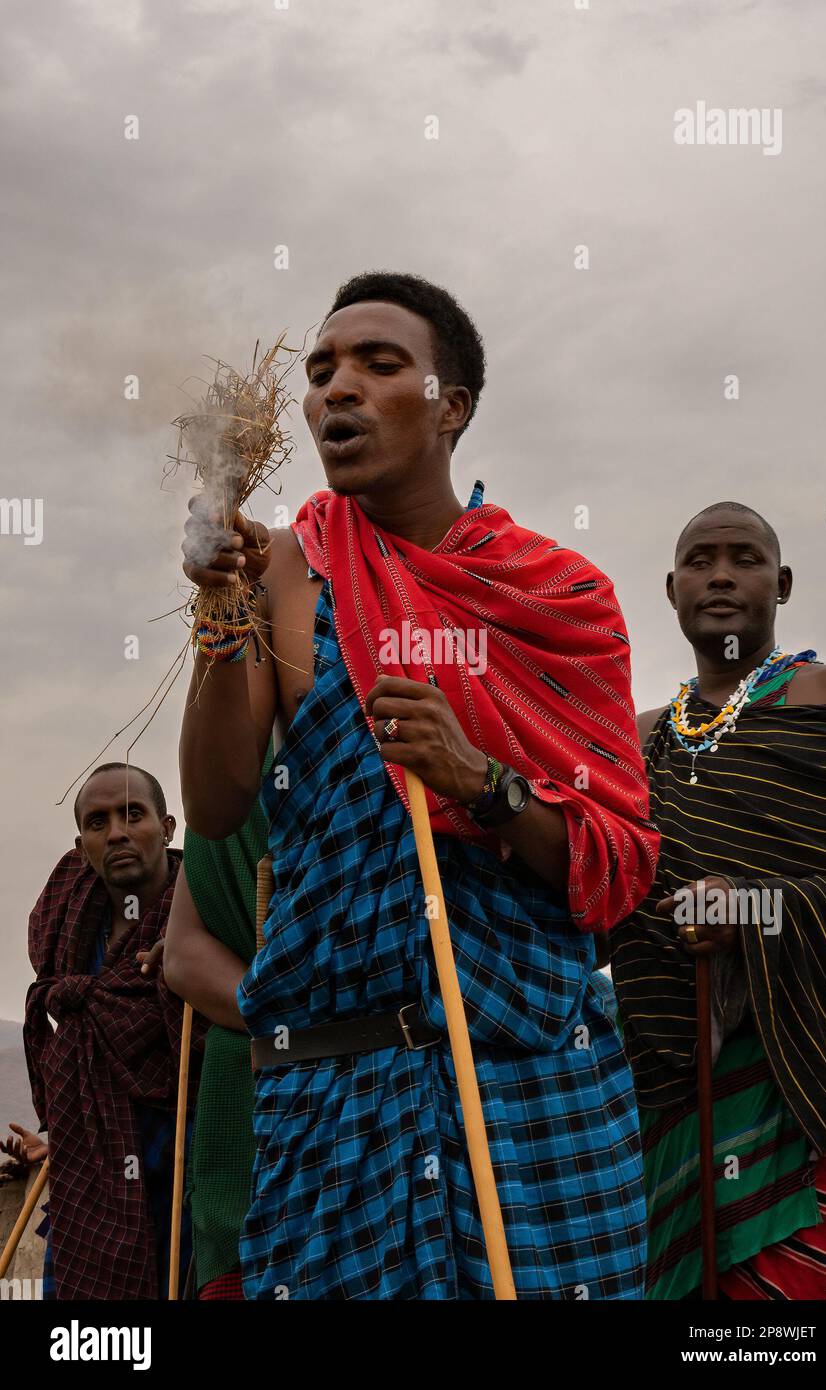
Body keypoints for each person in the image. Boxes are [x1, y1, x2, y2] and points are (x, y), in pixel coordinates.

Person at [180, 270, 659, 1300]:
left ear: (450, 406)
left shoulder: (559, 595)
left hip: (525, 1093)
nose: (336, 390)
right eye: (320, 373)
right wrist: (220, 614)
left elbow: (615, 861)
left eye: (376, 364)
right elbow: (217, 803)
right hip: (332, 1090)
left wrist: (480, 781)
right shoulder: (283, 573)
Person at [610, 502, 826, 1299]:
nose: (721, 575)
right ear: (670, 588)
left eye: (745, 559)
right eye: (700, 560)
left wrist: (754, 909)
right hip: (676, 1092)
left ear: (782, 584)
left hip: (819, 1073)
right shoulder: (633, 739)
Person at [12, 763, 201, 1299]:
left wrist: (181, 970)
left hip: (184, 1155)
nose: (116, 832)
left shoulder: (205, 912)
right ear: (82, 844)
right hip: (87, 1170)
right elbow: (90, 1060)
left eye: (132, 814)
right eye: (98, 822)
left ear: (167, 827)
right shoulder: (62, 927)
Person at [162, 753, 272, 1301]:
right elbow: (182, 957)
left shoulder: (400, 744)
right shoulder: (230, 790)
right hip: (243, 1106)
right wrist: (289, 1023)